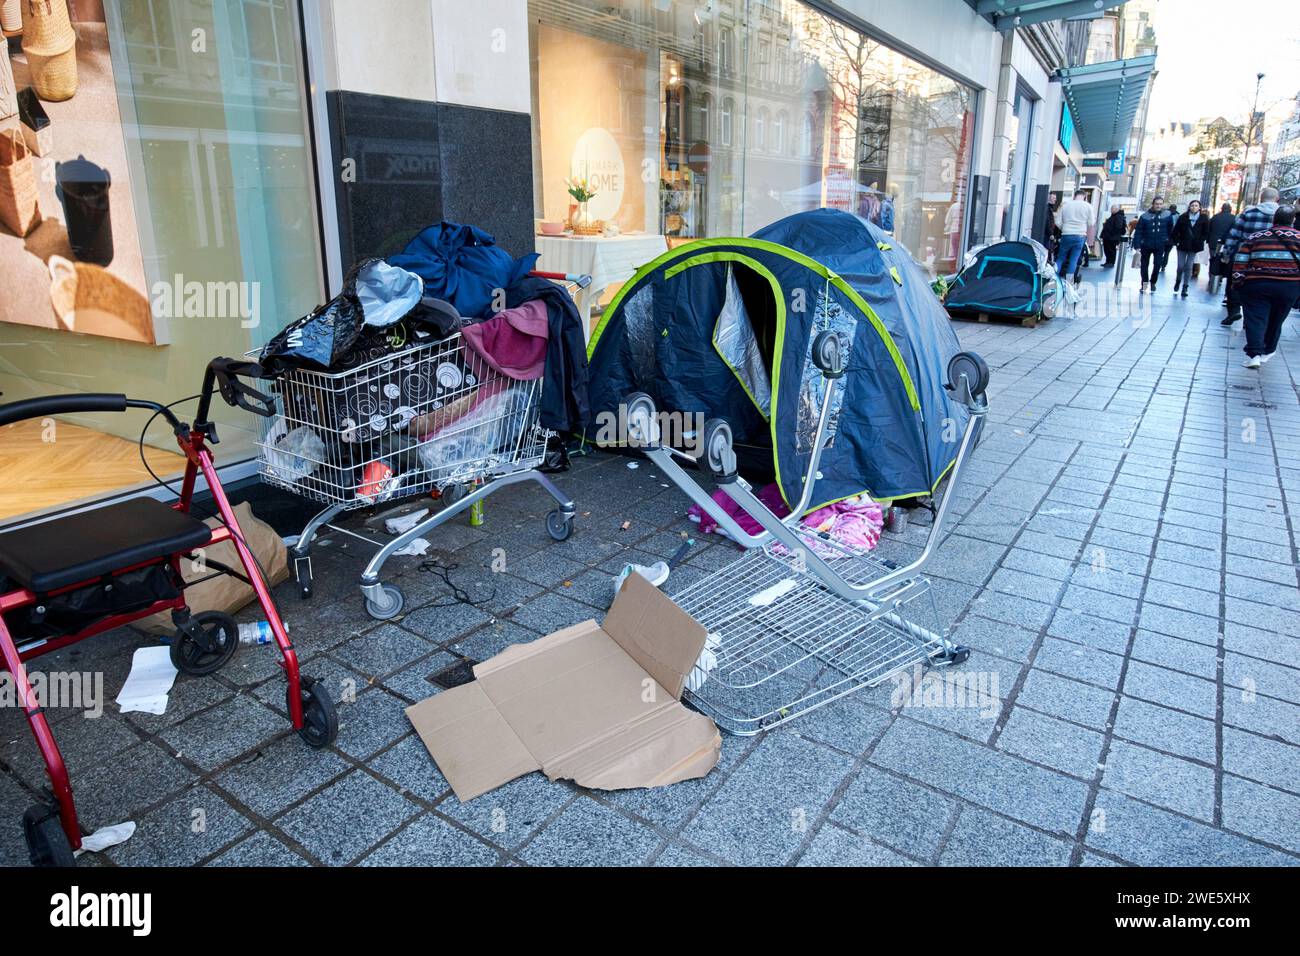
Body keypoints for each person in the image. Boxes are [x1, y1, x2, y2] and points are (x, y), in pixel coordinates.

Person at [1232, 204, 1300, 368]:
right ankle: (1268, 350)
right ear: (1293, 220)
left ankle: (1254, 354)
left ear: (1274, 219)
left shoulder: (1256, 237)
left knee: (1255, 318)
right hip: (1289, 286)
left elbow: (1240, 260)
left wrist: (1238, 282)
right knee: (1277, 319)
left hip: (1257, 284)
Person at [1222, 186, 1282, 326]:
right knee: (1258, 289)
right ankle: (1250, 319)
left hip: (1244, 256)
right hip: (1270, 259)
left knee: (1234, 283)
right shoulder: (1281, 216)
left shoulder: (1248, 213)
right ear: (1277, 199)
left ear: (1261, 198)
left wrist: (1227, 254)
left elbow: (1234, 235)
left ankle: (1234, 310)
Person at [1133, 195, 1175, 293]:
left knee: (1157, 265)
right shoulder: (1144, 216)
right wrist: (1137, 245)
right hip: (1146, 244)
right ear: (1153, 204)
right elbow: (1139, 231)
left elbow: (1170, 229)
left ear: (1163, 204)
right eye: (1156, 204)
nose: (1158, 206)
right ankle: (1144, 284)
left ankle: (1153, 282)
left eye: (1160, 204)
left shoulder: (1167, 215)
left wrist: (1167, 239)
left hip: (1160, 244)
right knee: (1144, 265)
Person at [1171, 200, 1210, 298]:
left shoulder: (1204, 218)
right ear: (1189, 207)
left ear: (1199, 207)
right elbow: (1176, 230)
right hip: (1182, 245)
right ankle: (1178, 280)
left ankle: (1185, 286)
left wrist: (1200, 240)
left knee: (1189, 266)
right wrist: (1176, 241)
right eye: (1192, 205)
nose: (1194, 207)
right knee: (1180, 266)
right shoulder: (1183, 217)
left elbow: (1206, 232)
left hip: (1194, 246)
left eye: (1196, 205)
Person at [1054, 189, 1091, 281]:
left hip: (1066, 234)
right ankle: (1069, 281)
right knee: (1074, 259)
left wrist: (1065, 228)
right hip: (1080, 235)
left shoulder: (1066, 205)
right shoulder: (1088, 206)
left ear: (1074, 196)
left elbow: (1057, 221)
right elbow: (1091, 222)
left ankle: (1053, 277)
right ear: (1084, 197)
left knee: (1060, 257)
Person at [1207, 202, 1237, 294]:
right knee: (1223, 260)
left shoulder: (1215, 217)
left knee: (1213, 259)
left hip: (1213, 242)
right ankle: (1219, 277)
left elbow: (1209, 229)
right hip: (1226, 243)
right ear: (1230, 209)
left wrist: (1208, 240)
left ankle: (1212, 276)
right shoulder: (1234, 218)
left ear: (1222, 208)